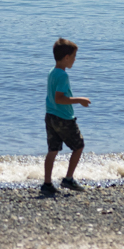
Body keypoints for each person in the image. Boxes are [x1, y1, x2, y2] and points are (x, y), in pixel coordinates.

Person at [42, 37, 90, 196]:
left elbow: (53, 98)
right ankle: (68, 178)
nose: (75, 60)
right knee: (79, 146)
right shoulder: (63, 76)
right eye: (74, 57)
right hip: (63, 117)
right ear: (67, 57)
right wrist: (80, 100)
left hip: (50, 116)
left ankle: (47, 183)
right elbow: (59, 98)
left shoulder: (52, 72)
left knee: (53, 150)